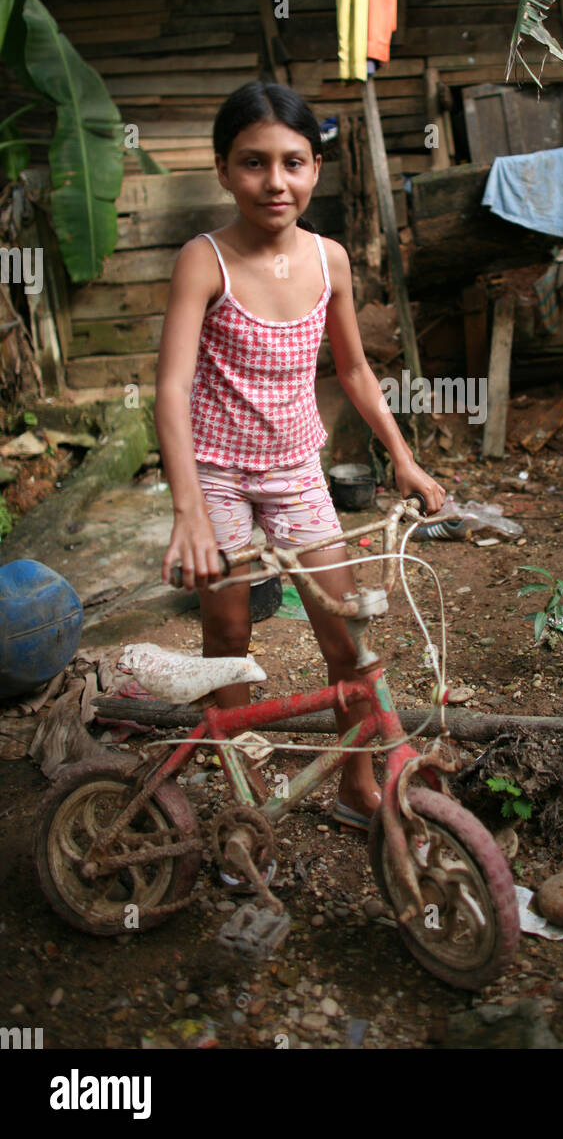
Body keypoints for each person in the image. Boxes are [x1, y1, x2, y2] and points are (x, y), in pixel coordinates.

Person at [155, 80, 445, 837]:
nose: (274, 182)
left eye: (293, 162)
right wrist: (187, 511)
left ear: (316, 169)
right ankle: (244, 784)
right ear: (223, 170)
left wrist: (403, 460)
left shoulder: (330, 260)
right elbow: (171, 385)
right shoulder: (204, 260)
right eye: (253, 163)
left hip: (295, 475)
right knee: (227, 638)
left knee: (345, 636)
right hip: (216, 475)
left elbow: (352, 372)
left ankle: (355, 783)